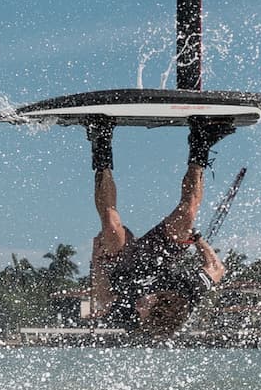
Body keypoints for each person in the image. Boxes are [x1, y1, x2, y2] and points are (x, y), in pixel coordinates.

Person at [87, 116, 233, 339]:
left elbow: (102, 295)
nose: (137, 309)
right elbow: (217, 268)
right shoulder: (188, 292)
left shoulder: (127, 316)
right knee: (187, 215)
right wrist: (197, 239)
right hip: (159, 255)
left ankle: (101, 141)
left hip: (122, 263)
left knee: (110, 224)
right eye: (144, 310)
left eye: (139, 314)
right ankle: (200, 143)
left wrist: (96, 259)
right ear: (160, 302)